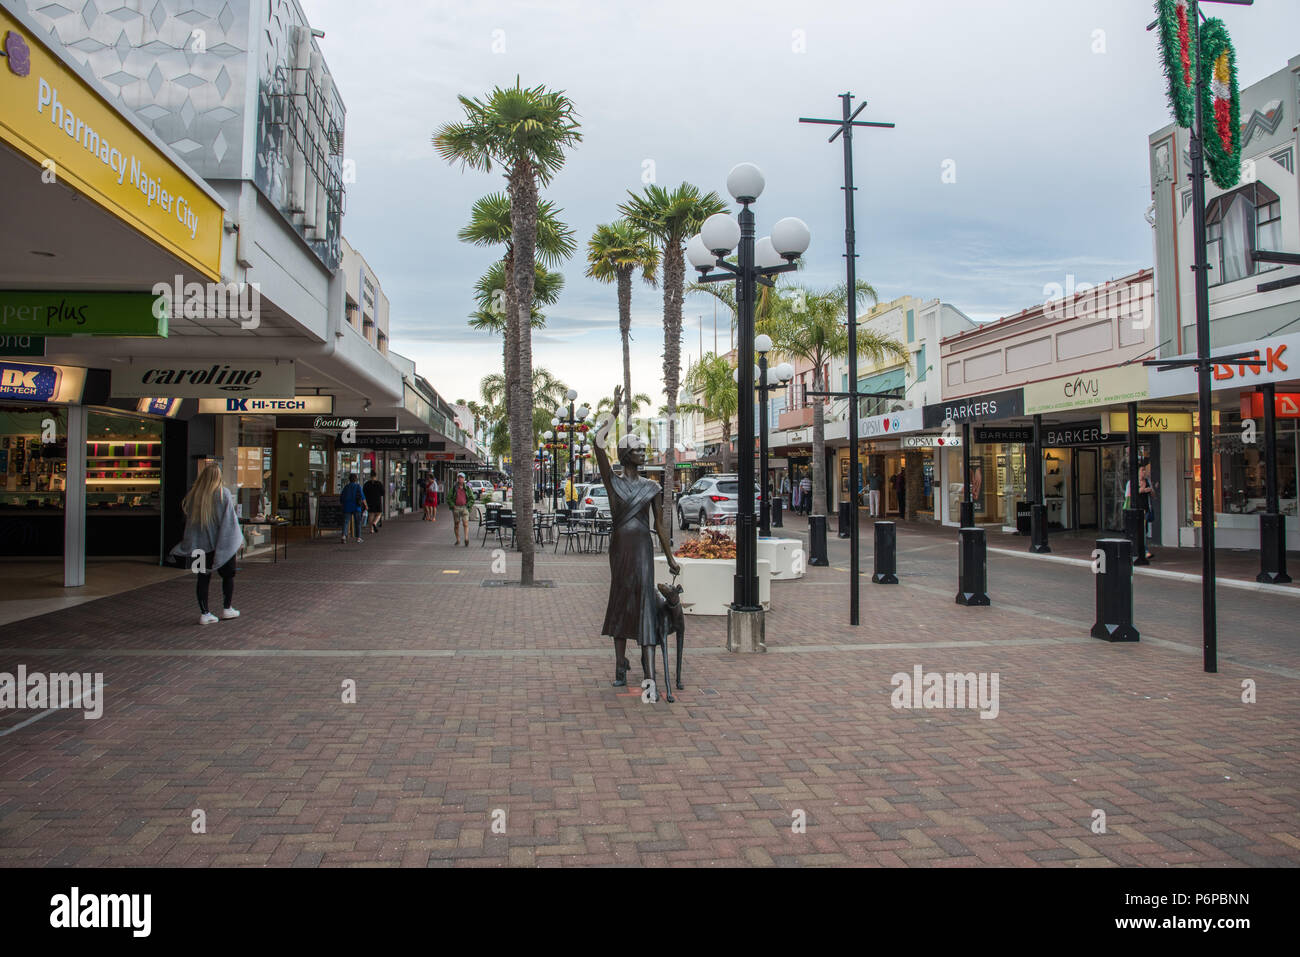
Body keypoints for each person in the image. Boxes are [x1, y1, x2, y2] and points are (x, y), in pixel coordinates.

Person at [594, 386, 681, 690]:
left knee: (644, 599)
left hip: (643, 549)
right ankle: (620, 665)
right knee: (620, 599)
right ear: (625, 455)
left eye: (645, 450)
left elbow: (659, 525)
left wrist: (670, 558)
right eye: (638, 451)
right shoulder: (613, 483)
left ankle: (648, 670)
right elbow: (597, 443)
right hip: (620, 548)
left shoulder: (652, 487)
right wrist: (613, 415)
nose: (643, 455)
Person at [170, 464, 243, 625]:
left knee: (202, 578)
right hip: (222, 545)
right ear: (219, 476)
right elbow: (229, 523)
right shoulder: (223, 494)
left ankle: (205, 613)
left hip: (198, 545)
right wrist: (237, 541)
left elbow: (189, 524)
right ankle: (227, 608)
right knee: (228, 576)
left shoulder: (194, 495)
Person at [450, 472, 478, 546]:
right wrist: (453, 505)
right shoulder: (454, 488)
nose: (460, 479)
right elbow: (449, 498)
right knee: (456, 524)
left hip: (464, 507)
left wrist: (468, 506)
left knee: (465, 523)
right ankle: (458, 539)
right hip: (456, 507)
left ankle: (466, 538)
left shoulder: (467, 488)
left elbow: (472, 498)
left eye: (462, 477)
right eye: (459, 477)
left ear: (464, 479)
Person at [341, 472, 366, 543]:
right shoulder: (358, 486)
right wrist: (366, 506)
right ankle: (358, 537)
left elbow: (342, 497)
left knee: (346, 522)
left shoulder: (346, 487)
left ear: (349, 479)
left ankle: (343, 536)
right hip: (356, 506)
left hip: (347, 506)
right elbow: (362, 497)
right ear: (356, 479)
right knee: (357, 522)